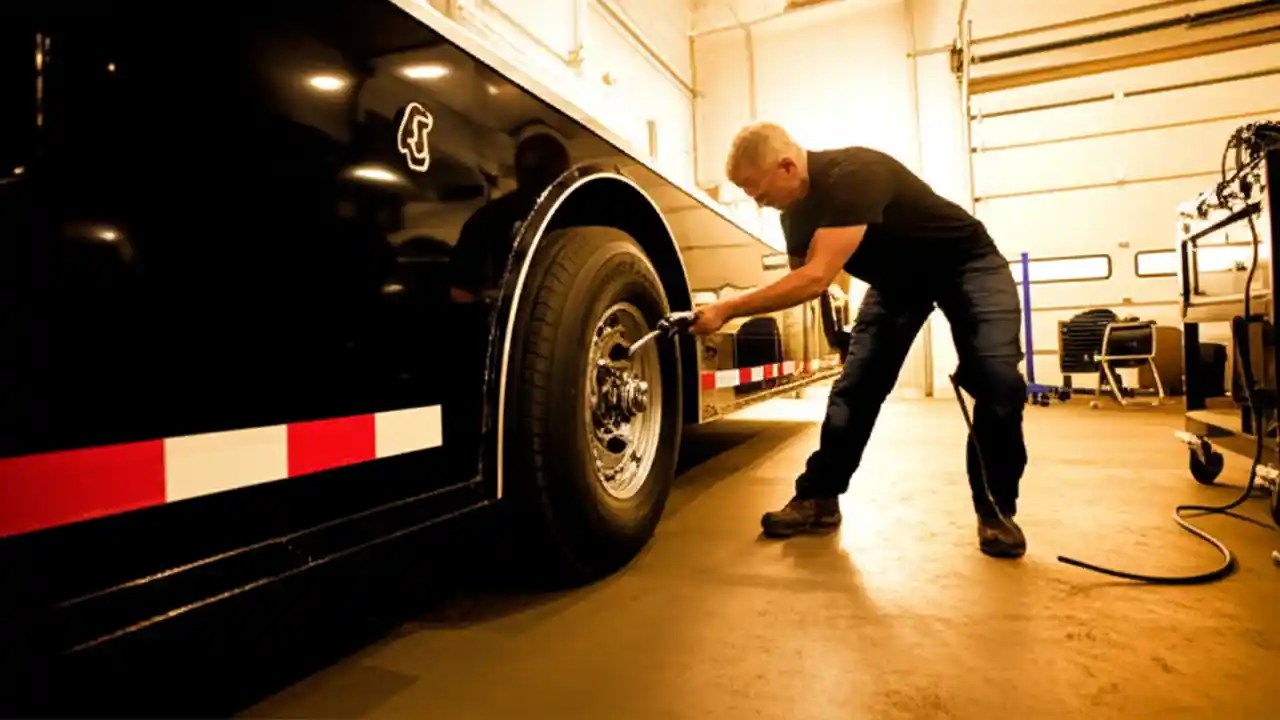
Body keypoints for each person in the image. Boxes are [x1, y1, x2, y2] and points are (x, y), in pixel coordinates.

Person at [688, 122, 1028, 559]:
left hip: (967, 263)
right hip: (897, 286)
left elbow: (813, 278)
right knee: (855, 389)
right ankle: (819, 500)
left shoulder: (854, 174)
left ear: (787, 166)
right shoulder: (793, 213)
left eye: (756, 189)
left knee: (996, 380)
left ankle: (997, 511)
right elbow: (809, 283)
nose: (757, 202)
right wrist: (841, 338)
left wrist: (726, 308)